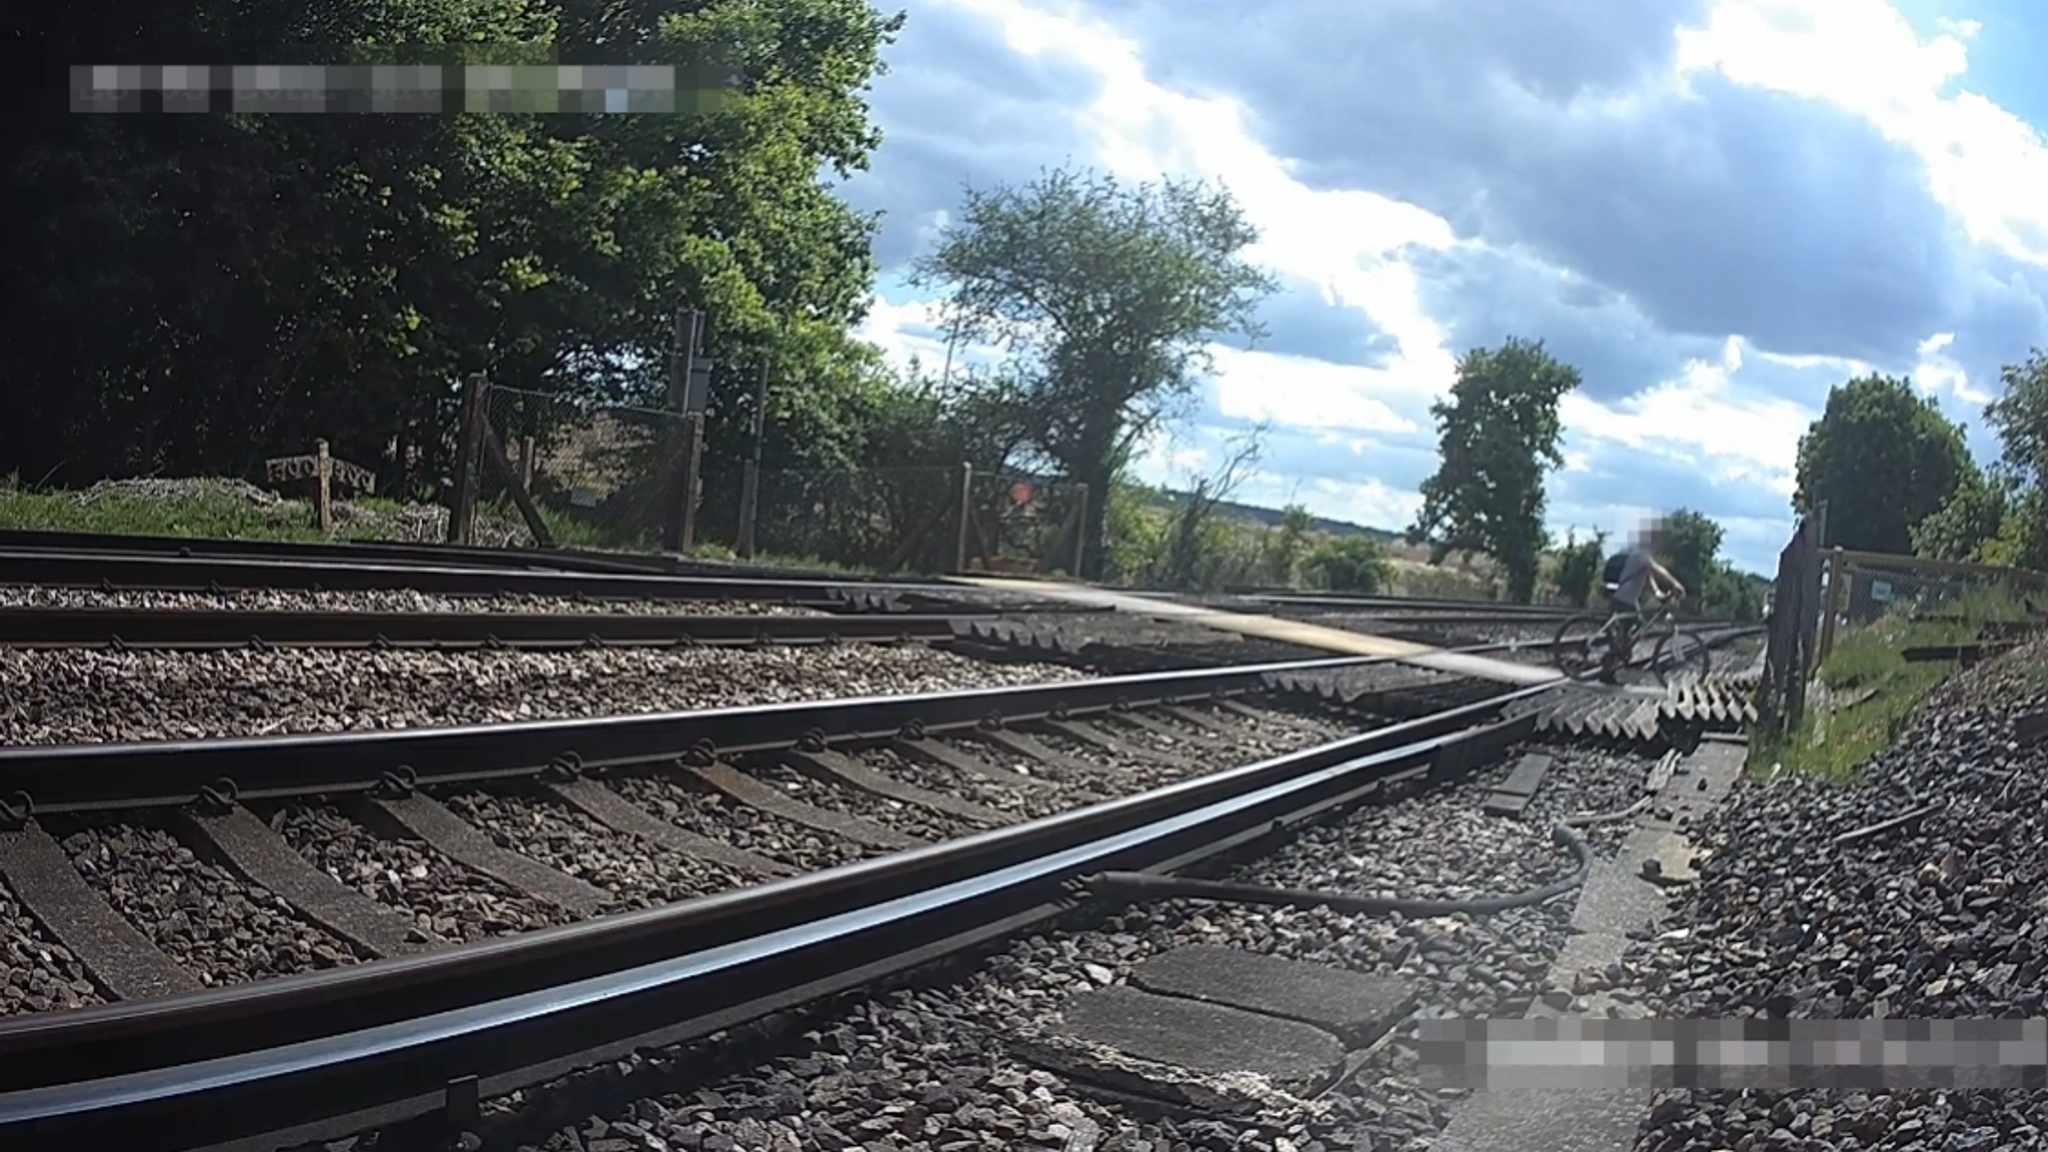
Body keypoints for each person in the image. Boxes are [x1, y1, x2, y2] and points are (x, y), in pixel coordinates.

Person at [1598, 520, 1687, 681]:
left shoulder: (1643, 556)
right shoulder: (1641, 554)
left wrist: (1658, 593)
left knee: (1634, 630)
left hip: (1629, 600)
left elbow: (1649, 577)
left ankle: (1612, 663)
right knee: (1628, 636)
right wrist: (1676, 584)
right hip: (1624, 599)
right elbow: (1658, 570)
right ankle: (1609, 664)